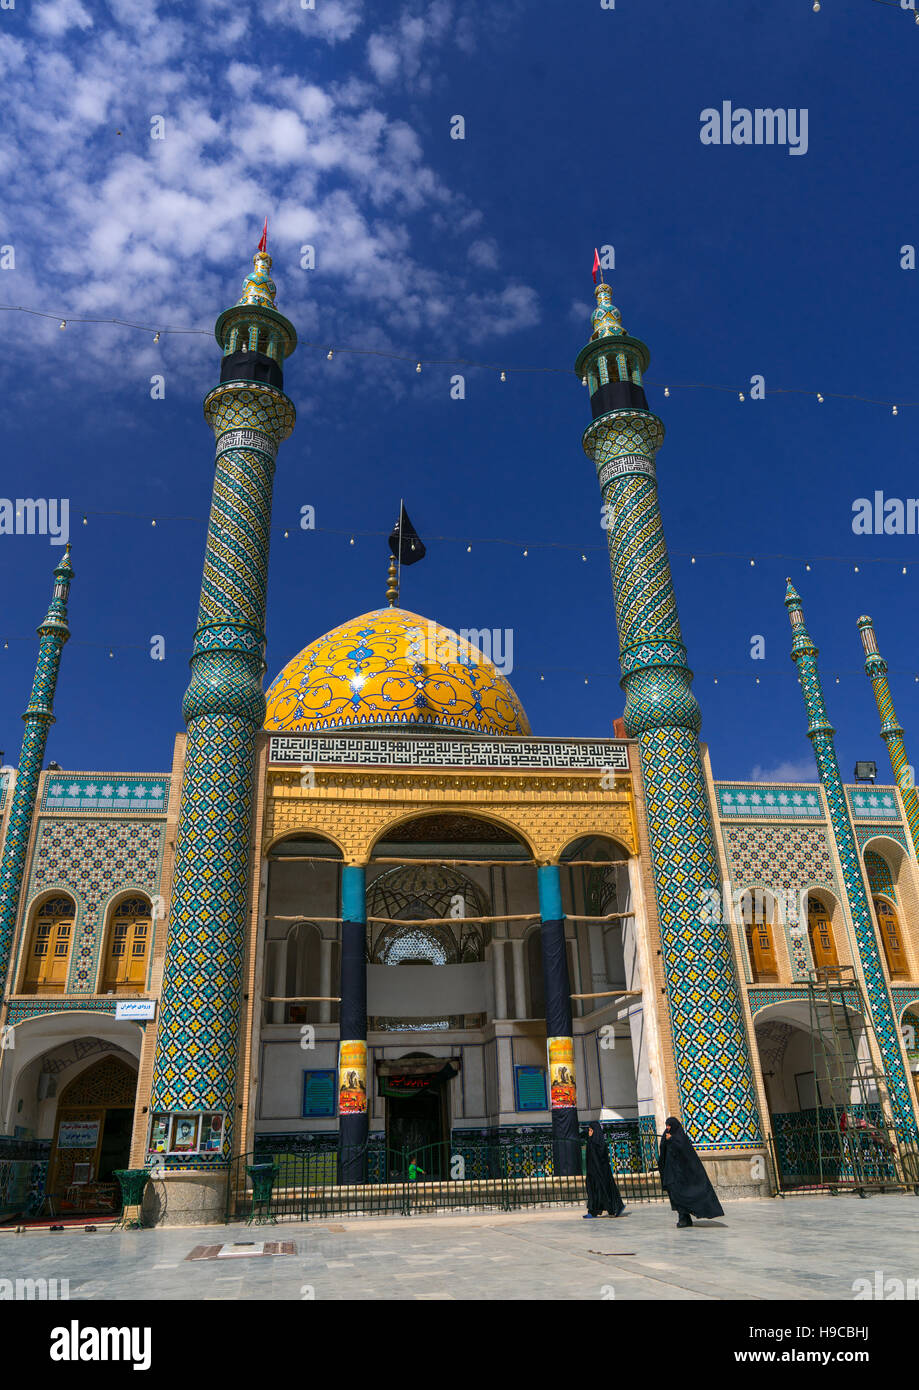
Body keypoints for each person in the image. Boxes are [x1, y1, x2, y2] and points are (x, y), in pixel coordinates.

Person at [658, 1116, 724, 1228]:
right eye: (667, 1125)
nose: (668, 1128)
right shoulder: (667, 1135)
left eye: (670, 1125)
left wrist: (672, 1139)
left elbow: (684, 1151)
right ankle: (684, 1217)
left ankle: (684, 1218)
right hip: (671, 1173)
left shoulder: (680, 1137)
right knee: (675, 1195)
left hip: (682, 1173)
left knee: (683, 1195)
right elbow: (663, 1149)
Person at [583, 1121, 625, 1219]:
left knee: (601, 1191)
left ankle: (610, 1209)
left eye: (590, 1130)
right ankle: (605, 1210)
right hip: (598, 1172)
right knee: (600, 1191)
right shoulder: (597, 1142)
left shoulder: (594, 1143)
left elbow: (597, 1159)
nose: (589, 1132)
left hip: (597, 1172)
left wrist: (595, 1172)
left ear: (595, 1131)